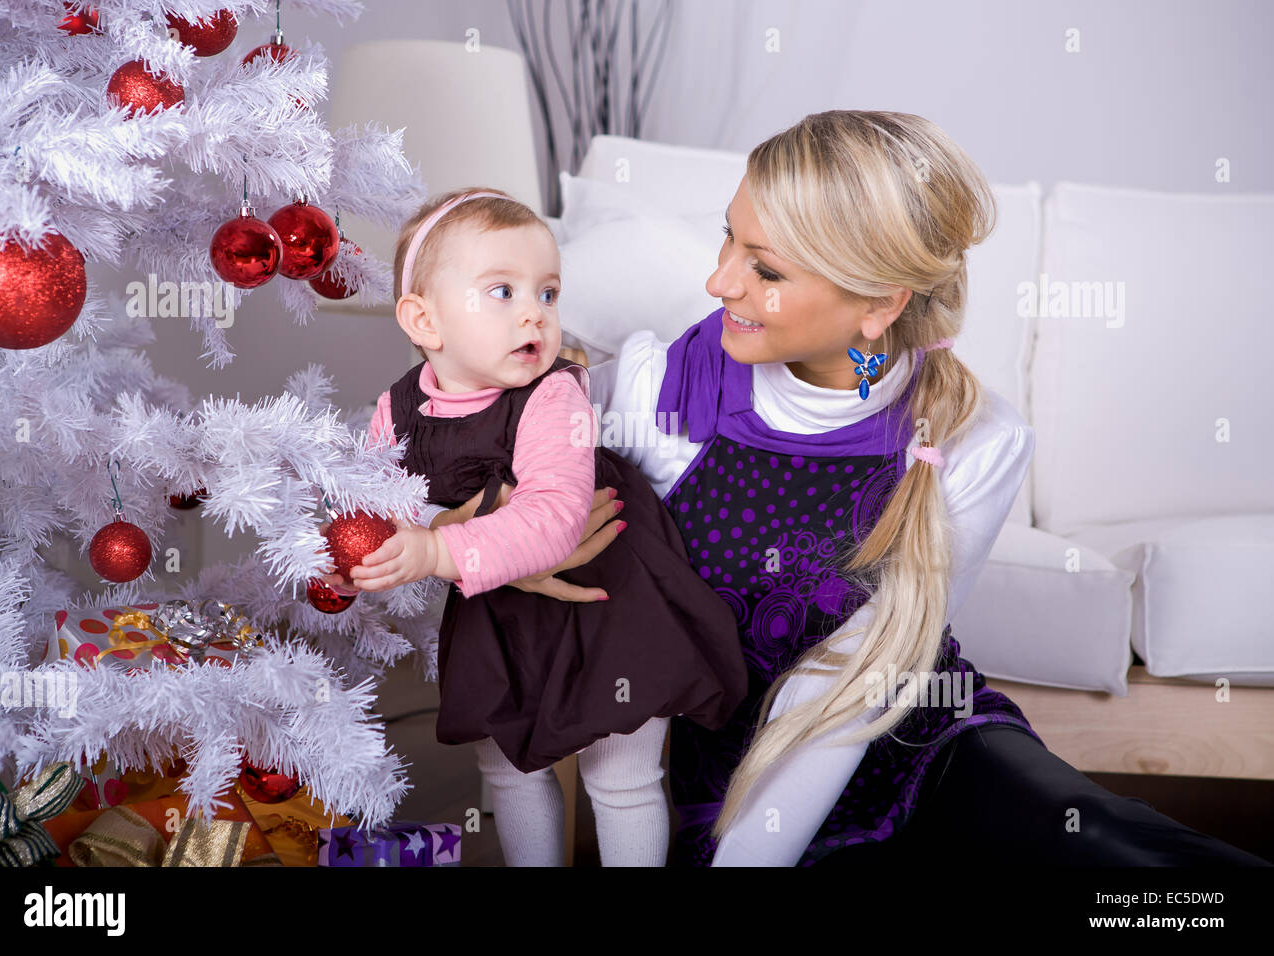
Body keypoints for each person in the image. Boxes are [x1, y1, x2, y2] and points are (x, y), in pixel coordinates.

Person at [441, 111, 1270, 867]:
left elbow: (846, 684)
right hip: (734, 796)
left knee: (1132, 870)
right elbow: (444, 464)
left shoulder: (976, 439)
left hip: (916, 755)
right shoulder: (658, 388)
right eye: (727, 241)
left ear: (877, 306)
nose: (719, 283)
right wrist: (491, 543)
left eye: (762, 267)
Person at [324, 188, 747, 867]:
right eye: (502, 291)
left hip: (610, 599)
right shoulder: (397, 407)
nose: (535, 313)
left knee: (621, 774)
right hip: (499, 607)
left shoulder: (554, 395)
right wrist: (385, 542)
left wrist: (435, 546)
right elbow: (383, 499)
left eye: (548, 294)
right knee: (510, 766)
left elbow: (552, 521)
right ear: (423, 320)